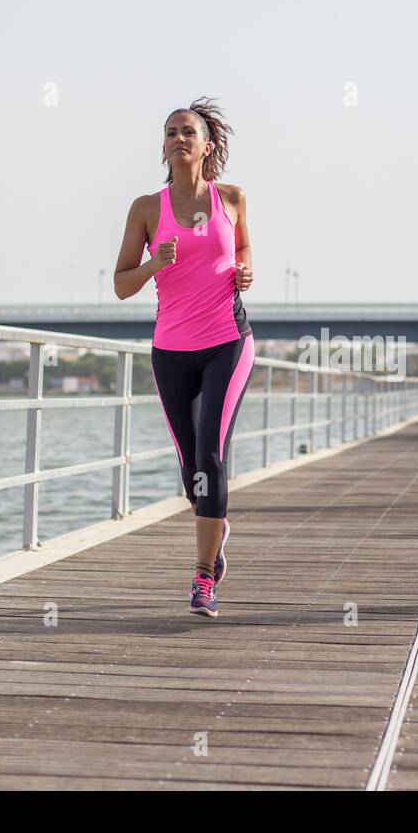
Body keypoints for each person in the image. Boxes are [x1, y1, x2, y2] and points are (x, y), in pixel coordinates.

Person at [112, 97, 255, 617]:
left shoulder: (233, 199)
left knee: (212, 457)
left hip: (226, 341)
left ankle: (202, 580)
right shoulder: (146, 209)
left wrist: (245, 273)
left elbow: (242, 252)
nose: (179, 138)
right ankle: (216, 525)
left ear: (206, 144)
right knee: (192, 471)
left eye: (188, 132)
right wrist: (154, 264)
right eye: (171, 132)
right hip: (171, 350)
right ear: (165, 145)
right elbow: (121, 286)